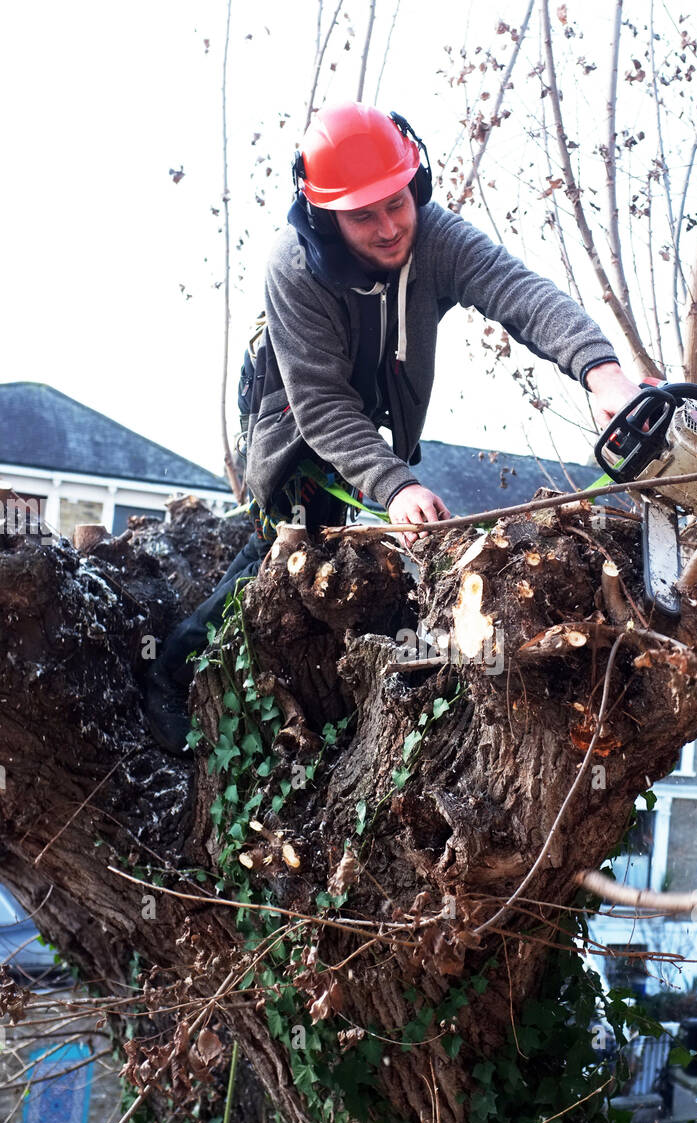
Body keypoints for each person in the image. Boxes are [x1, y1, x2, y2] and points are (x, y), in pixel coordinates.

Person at [144, 101, 640, 754]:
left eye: (397, 203)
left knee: (359, 574)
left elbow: (522, 294)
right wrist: (394, 483)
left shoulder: (434, 237)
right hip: (296, 421)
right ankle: (177, 665)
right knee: (296, 541)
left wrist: (603, 374)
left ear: (416, 185)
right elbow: (320, 403)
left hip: (378, 418)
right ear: (326, 215)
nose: (387, 227)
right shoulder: (294, 268)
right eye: (362, 215)